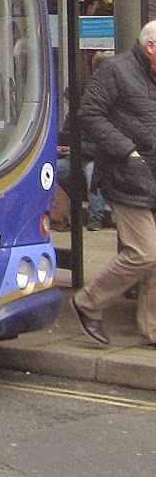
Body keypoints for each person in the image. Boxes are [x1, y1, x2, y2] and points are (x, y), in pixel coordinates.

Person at [70, 19, 156, 349]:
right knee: (143, 253)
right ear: (150, 48)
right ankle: (89, 301)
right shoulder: (116, 70)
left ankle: (151, 329)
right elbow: (88, 115)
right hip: (127, 176)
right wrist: (127, 151)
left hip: (151, 177)